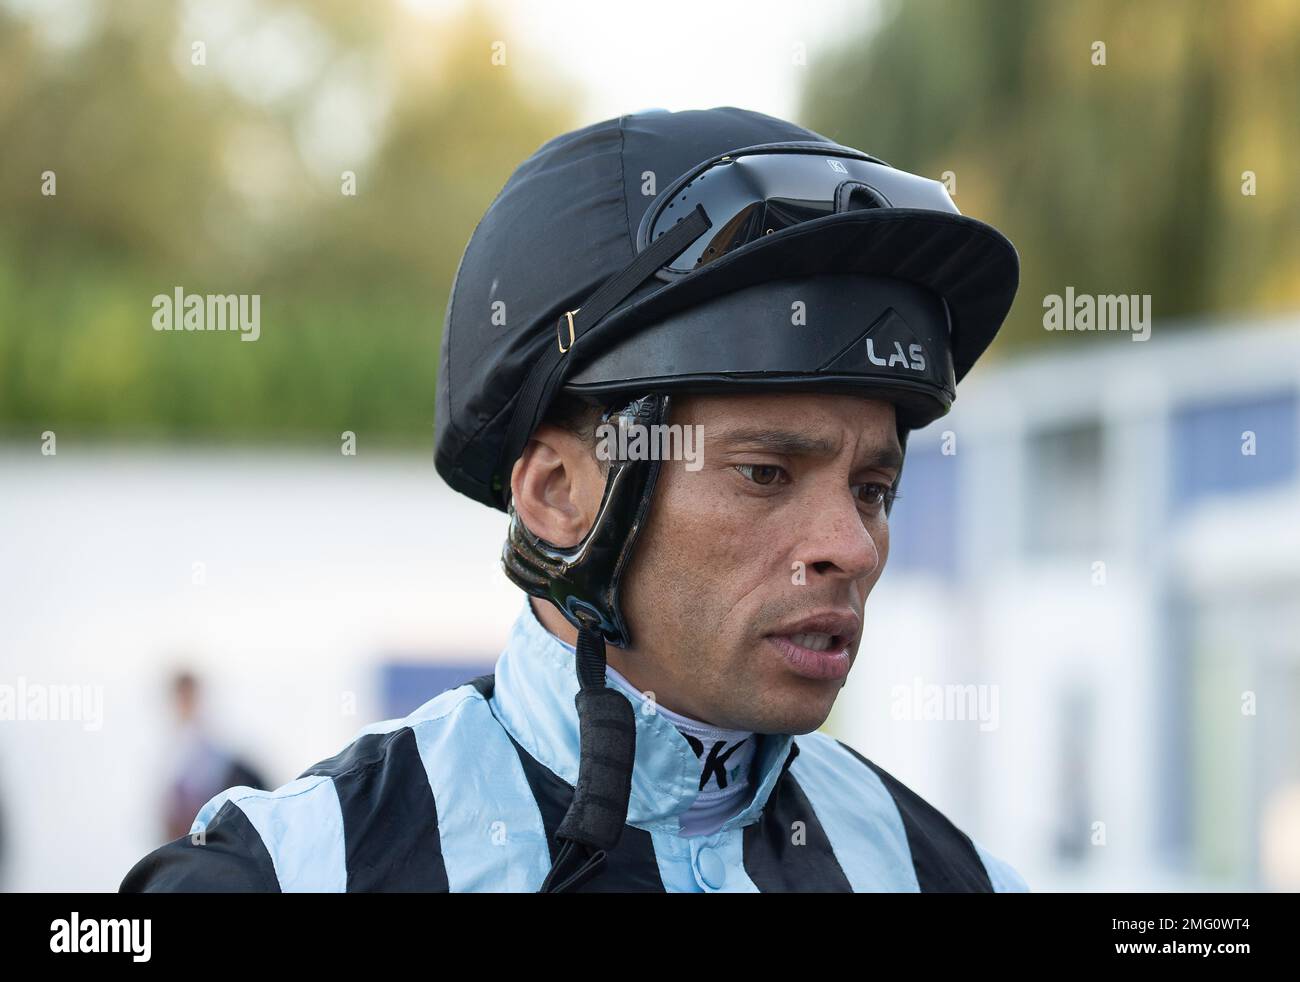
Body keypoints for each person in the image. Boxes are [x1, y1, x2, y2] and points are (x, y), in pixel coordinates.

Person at [121, 106, 1028, 892]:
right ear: (559, 495)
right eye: (766, 473)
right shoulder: (284, 872)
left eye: (873, 489)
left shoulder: (954, 876)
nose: (853, 547)